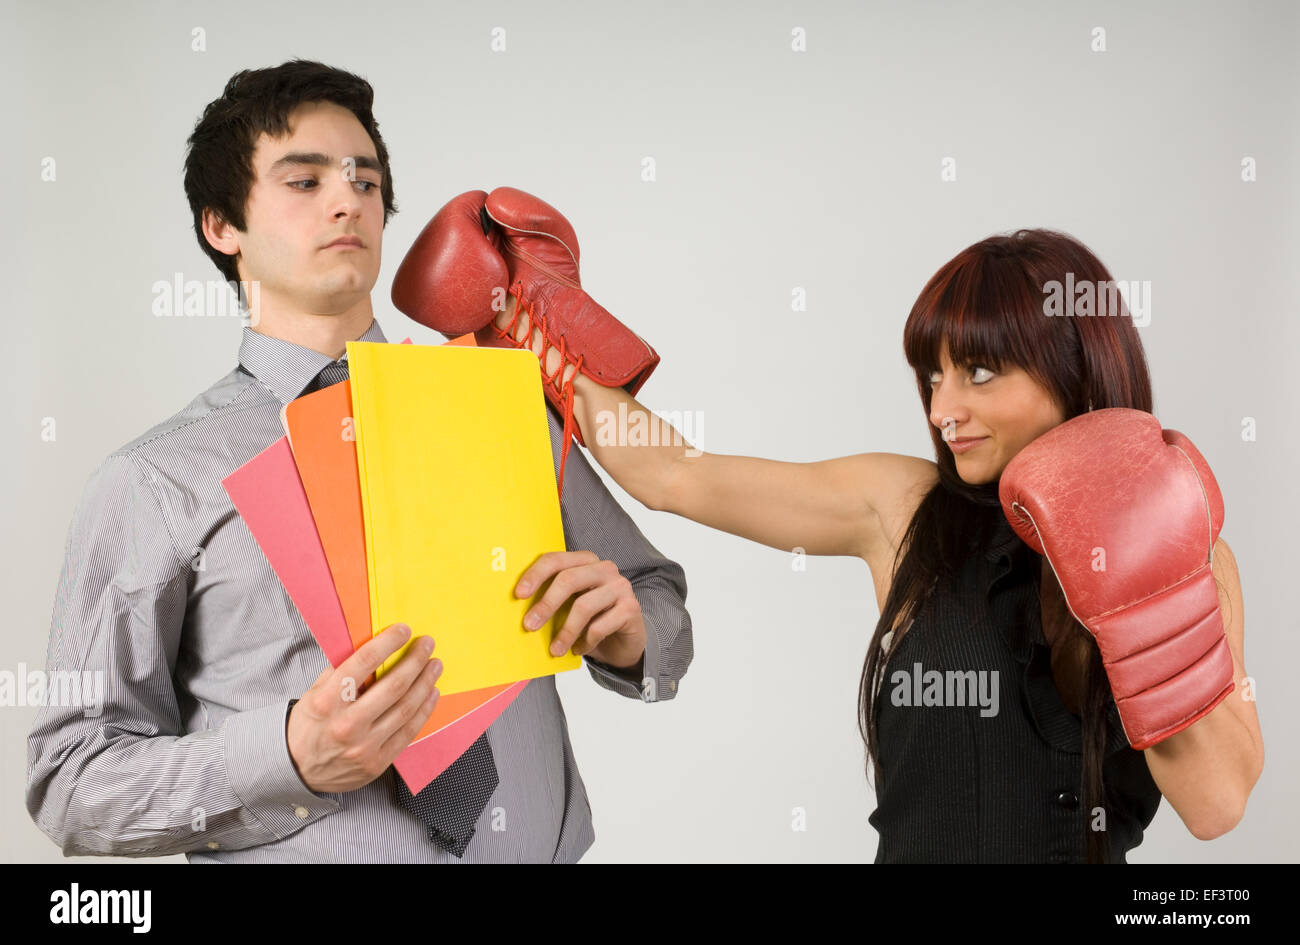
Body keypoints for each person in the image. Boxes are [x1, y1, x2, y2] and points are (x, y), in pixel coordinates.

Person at [25, 59, 693, 864]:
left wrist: (631, 639)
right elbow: (70, 780)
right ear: (221, 225)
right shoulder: (156, 482)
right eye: (303, 182)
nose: (348, 201)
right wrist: (289, 758)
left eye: (365, 181)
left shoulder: (500, 401)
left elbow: (657, 599)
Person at [496, 226, 1264, 863]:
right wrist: (525, 319)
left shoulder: (1193, 549)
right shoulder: (905, 508)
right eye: (933, 376)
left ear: (1075, 368)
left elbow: (1217, 802)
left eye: (980, 372)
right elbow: (674, 475)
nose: (944, 408)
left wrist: (1138, 595)